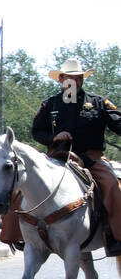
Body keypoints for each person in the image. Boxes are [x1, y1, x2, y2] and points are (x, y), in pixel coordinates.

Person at [31, 58, 121, 255]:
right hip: (57, 158)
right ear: (61, 79)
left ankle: (115, 235)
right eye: (70, 78)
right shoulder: (50, 104)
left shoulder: (98, 102)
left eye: (78, 78)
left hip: (91, 159)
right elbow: (36, 131)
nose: (75, 81)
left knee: (113, 185)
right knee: (23, 182)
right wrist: (54, 137)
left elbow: (118, 123)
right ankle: (21, 236)